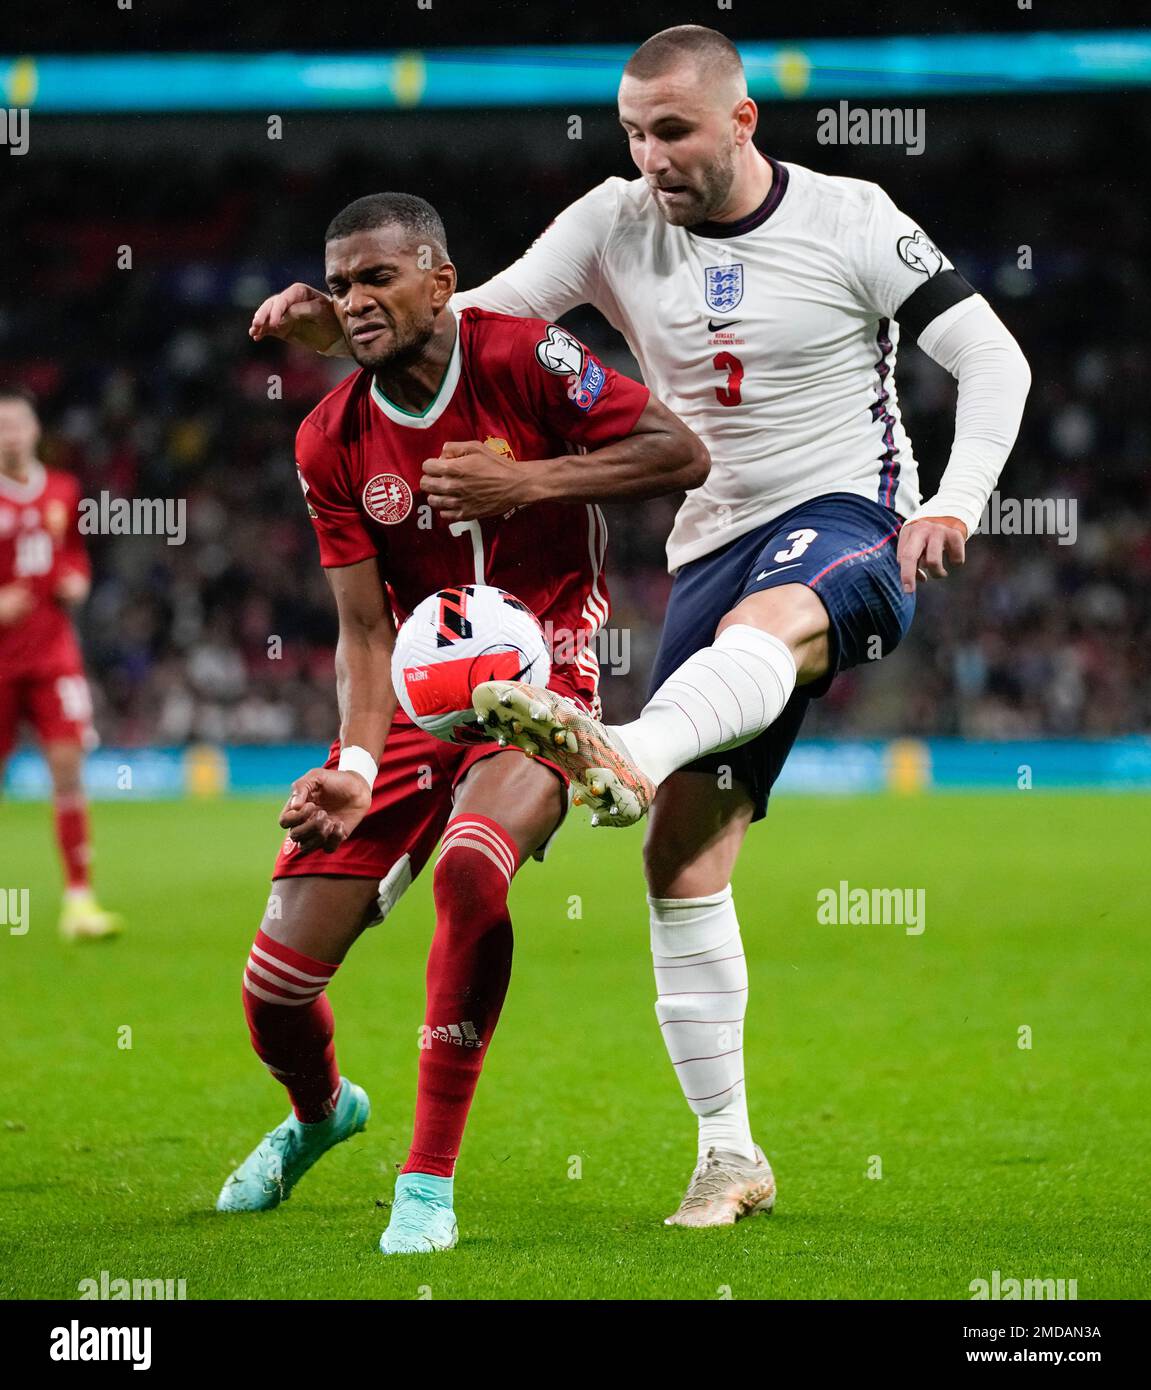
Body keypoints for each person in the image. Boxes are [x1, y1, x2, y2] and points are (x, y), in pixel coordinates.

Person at [249, 26, 1030, 1228]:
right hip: (707, 541)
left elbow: (990, 355)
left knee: (746, 648)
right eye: (631, 133)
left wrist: (952, 499)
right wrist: (344, 328)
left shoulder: (851, 217)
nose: (648, 156)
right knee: (679, 860)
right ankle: (730, 1155)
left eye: (670, 131)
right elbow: (468, 318)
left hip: (847, 510)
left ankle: (624, 747)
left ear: (739, 122)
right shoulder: (613, 220)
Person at [219, 192, 707, 1253]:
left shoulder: (529, 360)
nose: (353, 300)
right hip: (409, 707)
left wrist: (524, 479)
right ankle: (320, 1114)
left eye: (377, 277)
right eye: (340, 283)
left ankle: (427, 1182)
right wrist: (352, 761)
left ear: (440, 280)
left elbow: (680, 452)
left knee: (470, 871)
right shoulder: (327, 439)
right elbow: (357, 628)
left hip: (543, 686)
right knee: (274, 989)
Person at [0, 385, 122, 941]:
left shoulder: (63, 489)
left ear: (34, 431)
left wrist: (78, 578)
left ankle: (79, 900)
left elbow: (74, 552)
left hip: (53, 654)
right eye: (2, 427)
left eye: (18, 425)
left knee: (68, 769)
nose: (10, 435)